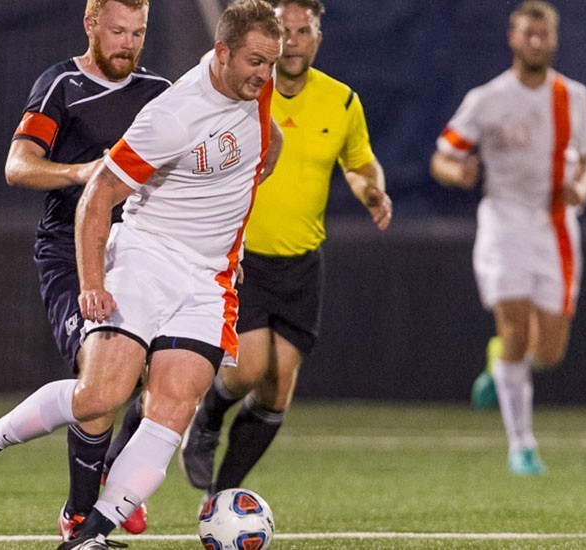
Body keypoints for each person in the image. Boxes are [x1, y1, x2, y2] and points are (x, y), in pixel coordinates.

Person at [0, 1, 283, 548]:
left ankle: (86, 533)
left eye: (272, 63)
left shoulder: (255, 91)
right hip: (143, 258)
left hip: (210, 280)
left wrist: (239, 188)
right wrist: (93, 283)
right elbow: (98, 196)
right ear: (223, 52)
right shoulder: (173, 111)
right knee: (100, 395)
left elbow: (268, 141)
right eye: (256, 61)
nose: (265, 74)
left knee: (172, 408)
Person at [178, 0, 391, 497]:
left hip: (302, 264)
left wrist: (372, 191)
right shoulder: (245, 91)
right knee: (249, 369)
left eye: (303, 30)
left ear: (318, 38)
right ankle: (205, 421)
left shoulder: (340, 101)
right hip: (245, 257)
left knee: (278, 390)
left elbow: (359, 163)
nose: (292, 41)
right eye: (284, 31)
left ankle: (223, 496)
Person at [2, 0, 169, 539]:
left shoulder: (160, 95)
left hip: (144, 252)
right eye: (118, 30)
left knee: (164, 377)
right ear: (91, 25)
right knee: (98, 379)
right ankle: (79, 515)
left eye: (138, 33)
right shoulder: (61, 85)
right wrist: (82, 173)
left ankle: (113, 478)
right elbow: (17, 165)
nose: (128, 43)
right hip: (71, 250)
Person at [429, 0, 586, 475]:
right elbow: (442, 156)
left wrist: (581, 187)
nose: (537, 42)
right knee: (517, 331)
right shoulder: (487, 99)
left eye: (544, 34)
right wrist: (456, 172)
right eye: (529, 33)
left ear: (555, 40)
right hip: (504, 223)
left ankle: (497, 362)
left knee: (548, 352)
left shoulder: (573, 96)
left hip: (556, 229)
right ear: (513, 38)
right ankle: (521, 445)